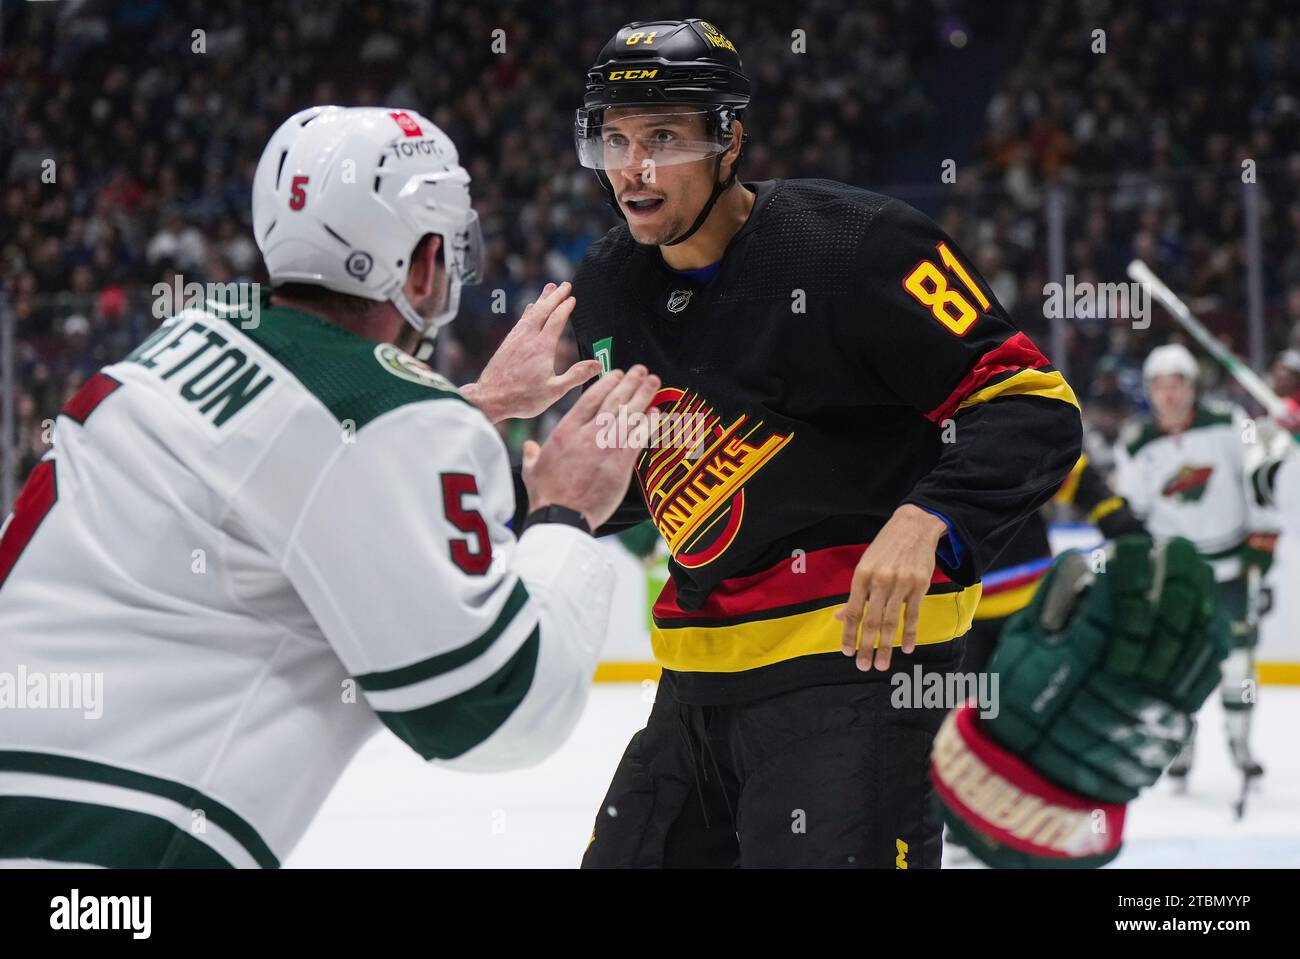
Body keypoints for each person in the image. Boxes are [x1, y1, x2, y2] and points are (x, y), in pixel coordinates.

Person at [0, 105, 659, 868]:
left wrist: (465, 403)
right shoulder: (381, 419)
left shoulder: (189, 334)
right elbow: (496, 708)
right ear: (421, 265)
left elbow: (294, 447)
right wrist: (567, 512)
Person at [566, 19, 1083, 868]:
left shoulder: (856, 244)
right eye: (615, 139)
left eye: (664, 136)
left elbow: (1031, 405)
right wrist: (539, 480)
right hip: (694, 688)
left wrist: (930, 516)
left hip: (856, 676)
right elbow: (646, 474)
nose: (634, 166)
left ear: (729, 138)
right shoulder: (610, 284)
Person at [1113, 343, 1271, 784]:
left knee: (1239, 663)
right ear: (1149, 390)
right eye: (1159, 385)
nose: (1168, 394)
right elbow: (1133, 513)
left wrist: (1263, 538)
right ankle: (1182, 745)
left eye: (1176, 383)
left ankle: (1241, 742)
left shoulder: (1230, 424)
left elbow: (1260, 475)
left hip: (1231, 568)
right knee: (1175, 663)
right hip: (1176, 574)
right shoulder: (1136, 443)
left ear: (1192, 386)